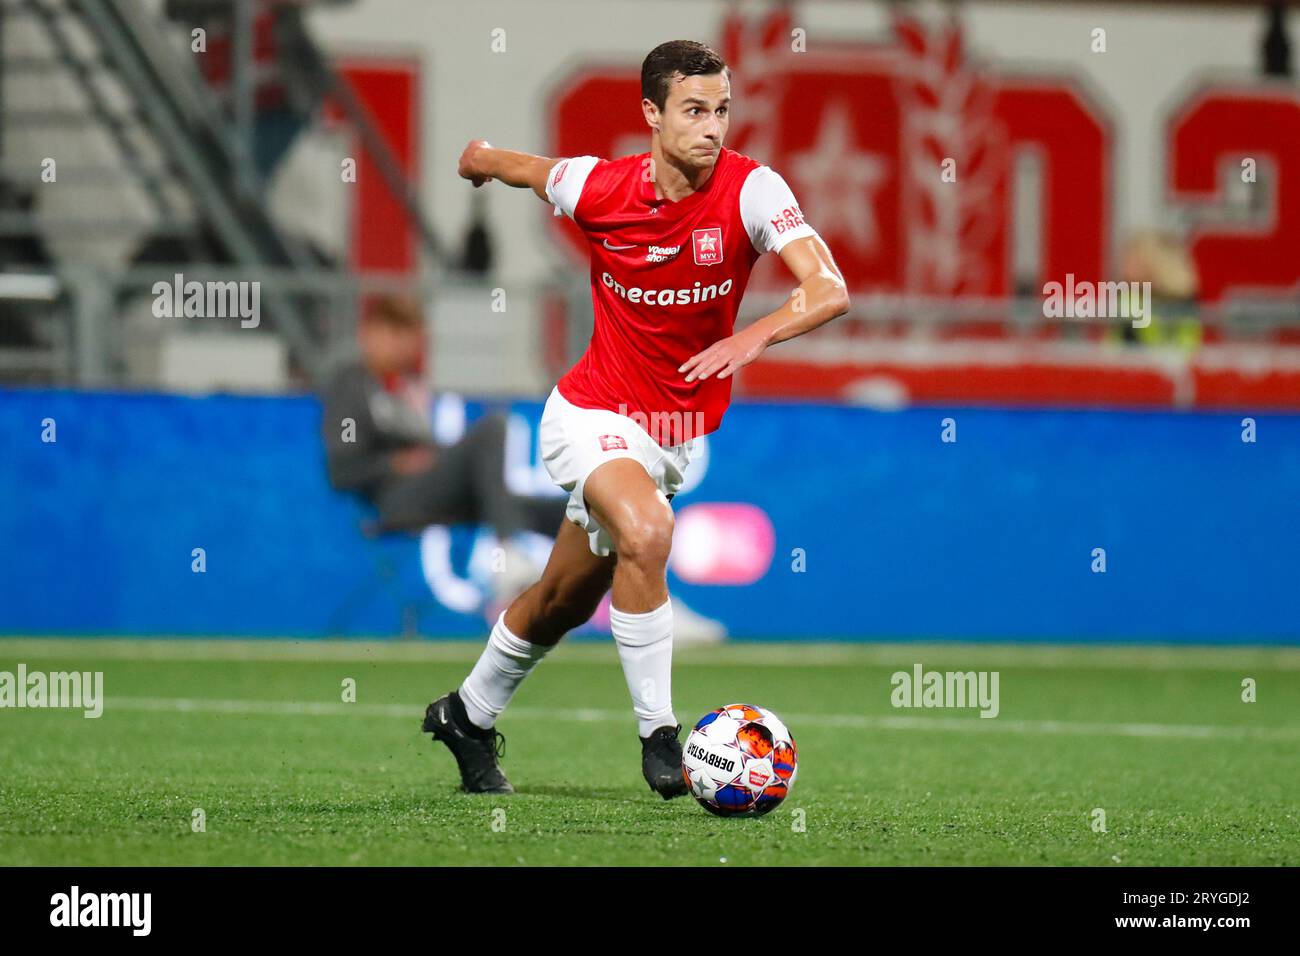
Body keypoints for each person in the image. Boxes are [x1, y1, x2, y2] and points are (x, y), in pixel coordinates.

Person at [423, 40, 850, 797]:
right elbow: (528, 170)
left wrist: (752, 335)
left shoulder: (753, 191)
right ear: (651, 113)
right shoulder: (598, 187)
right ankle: (661, 740)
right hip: (589, 413)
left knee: (563, 599)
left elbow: (828, 288)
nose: (711, 127)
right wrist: (479, 158)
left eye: (721, 109)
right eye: (693, 110)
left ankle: (467, 713)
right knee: (649, 532)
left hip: (671, 440)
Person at [320, 294, 563, 574]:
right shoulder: (350, 388)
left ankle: (589, 567)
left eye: (409, 335)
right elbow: (340, 471)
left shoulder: (407, 386)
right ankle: (507, 557)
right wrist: (395, 464)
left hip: (431, 490)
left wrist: (432, 456)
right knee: (491, 429)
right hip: (394, 499)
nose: (403, 346)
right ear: (368, 335)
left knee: (551, 510)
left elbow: (424, 450)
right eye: (394, 333)